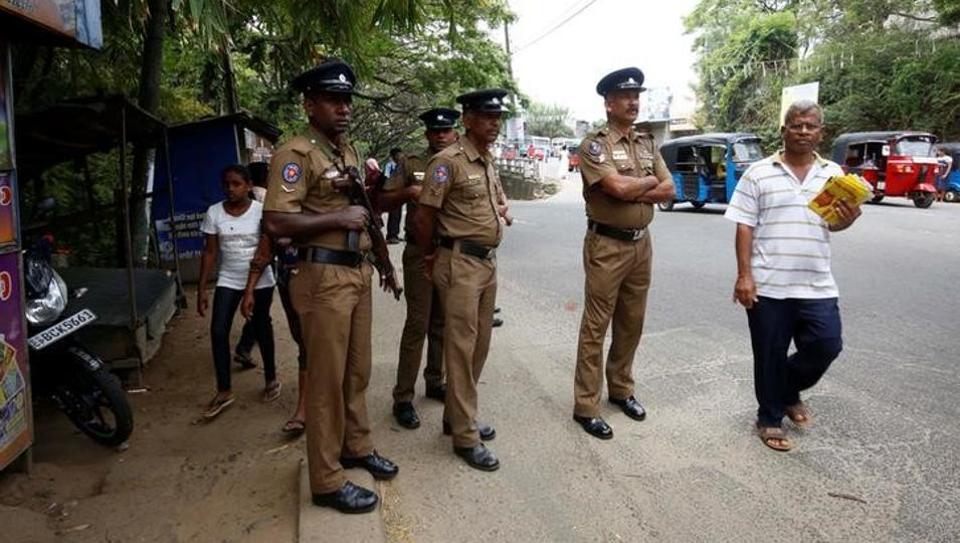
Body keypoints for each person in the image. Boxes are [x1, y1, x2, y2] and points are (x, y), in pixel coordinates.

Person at [261, 59, 398, 514]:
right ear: (310, 104)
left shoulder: (348, 152)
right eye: (332, 100)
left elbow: (363, 208)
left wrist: (379, 252)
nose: (343, 109)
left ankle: (355, 446)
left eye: (346, 101)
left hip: (355, 272)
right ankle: (325, 480)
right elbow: (277, 220)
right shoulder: (294, 154)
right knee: (325, 381)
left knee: (357, 372)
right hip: (321, 277)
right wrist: (338, 217)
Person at [725, 100, 861, 452]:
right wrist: (744, 276)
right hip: (768, 284)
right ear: (783, 130)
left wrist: (849, 218)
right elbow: (744, 225)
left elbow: (835, 223)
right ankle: (769, 418)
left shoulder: (834, 175)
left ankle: (785, 390)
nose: (803, 131)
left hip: (816, 283)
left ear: (821, 132)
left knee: (827, 345)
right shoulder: (758, 172)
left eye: (810, 126)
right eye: (796, 125)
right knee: (769, 353)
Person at [572, 67, 675, 440]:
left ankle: (621, 389)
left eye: (637, 96)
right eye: (625, 96)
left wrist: (638, 188)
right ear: (608, 103)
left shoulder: (647, 142)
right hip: (607, 245)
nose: (634, 102)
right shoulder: (594, 145)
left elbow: (670, 190)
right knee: (596, 326)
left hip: (641, 243)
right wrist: (647, 183)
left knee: (632, 322)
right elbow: (614, 187)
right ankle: (586, 405)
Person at [414, 89, 511, 471]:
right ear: (467, 119)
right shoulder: (447, 162)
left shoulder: (486, 160)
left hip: (486, 265)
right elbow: (425, 216)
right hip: (460, 263)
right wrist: (431, 254)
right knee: (460, 347)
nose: (494, 123)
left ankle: (456, 416)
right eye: (487, 116)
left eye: (498, 117)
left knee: (479, 345)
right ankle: (465, 436)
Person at [378, 108, 459, 429]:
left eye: (447, 130)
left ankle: (434, 381)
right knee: (418, 324)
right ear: (427, 135)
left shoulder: (461, 164)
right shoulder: (411, 164)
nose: (441, 135)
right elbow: (383, 201)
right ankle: (403, 397)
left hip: (451, 252)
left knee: (441, 323)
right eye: (435, 131)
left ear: (455, 133)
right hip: (419, 251)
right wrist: (408, 192)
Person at [196, 165, 279, 419]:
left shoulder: (260, 212)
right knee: (218, 330)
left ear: (248, 186)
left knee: (261, 326)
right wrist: (202, 289)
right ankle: (224, 390)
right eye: (227, 184)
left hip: (261, 278)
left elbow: (265, 249)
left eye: (236, 184)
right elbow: (210, 253)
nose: (230, 189)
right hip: (229, 279)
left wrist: (251, 289)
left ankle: (271, 377)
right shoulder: (214, 213)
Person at [240, 232, 307, 436]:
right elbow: (264, 251)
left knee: (310, 345)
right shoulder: (277, 210)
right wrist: (250, 290)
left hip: (320, 279)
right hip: (288, 280)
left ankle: (303, 410)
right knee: (302, 340)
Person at [384, 147, 403, 243]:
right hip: (392, 192)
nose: (400, 156)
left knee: (398, 214)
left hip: (400, 193)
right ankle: (391, 235)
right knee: (394, 214)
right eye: (398, 155)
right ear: (393, 156)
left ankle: (395, 234)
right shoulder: (389, 165)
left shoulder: (402, 165)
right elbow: (386, 177)